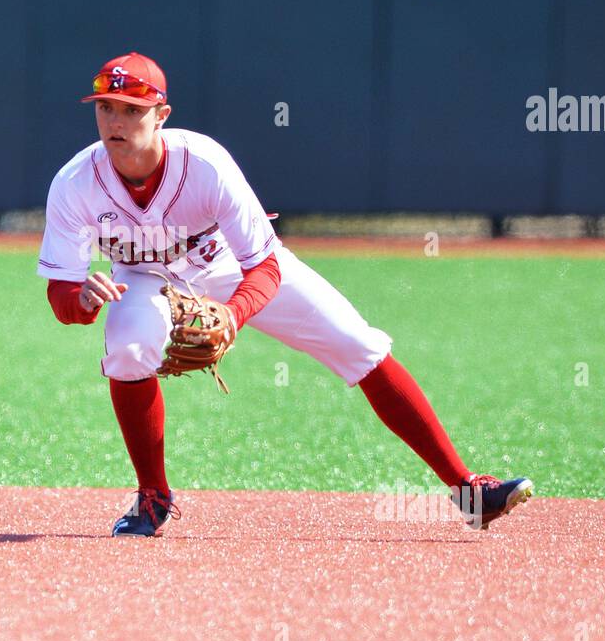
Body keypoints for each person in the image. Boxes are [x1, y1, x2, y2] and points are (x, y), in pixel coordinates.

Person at [37, 51, 533, 537]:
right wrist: (80, 302)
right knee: (127, 347)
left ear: (162, 116)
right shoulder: (76, 184)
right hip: (145, 277)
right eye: (106, 107)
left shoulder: (205, 164)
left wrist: (233, 315)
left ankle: (469, 491)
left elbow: (265, 265)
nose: (115, 121)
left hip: (229, 264)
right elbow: (61, 293)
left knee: (357, 344)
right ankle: (153, 497)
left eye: (132, 109)